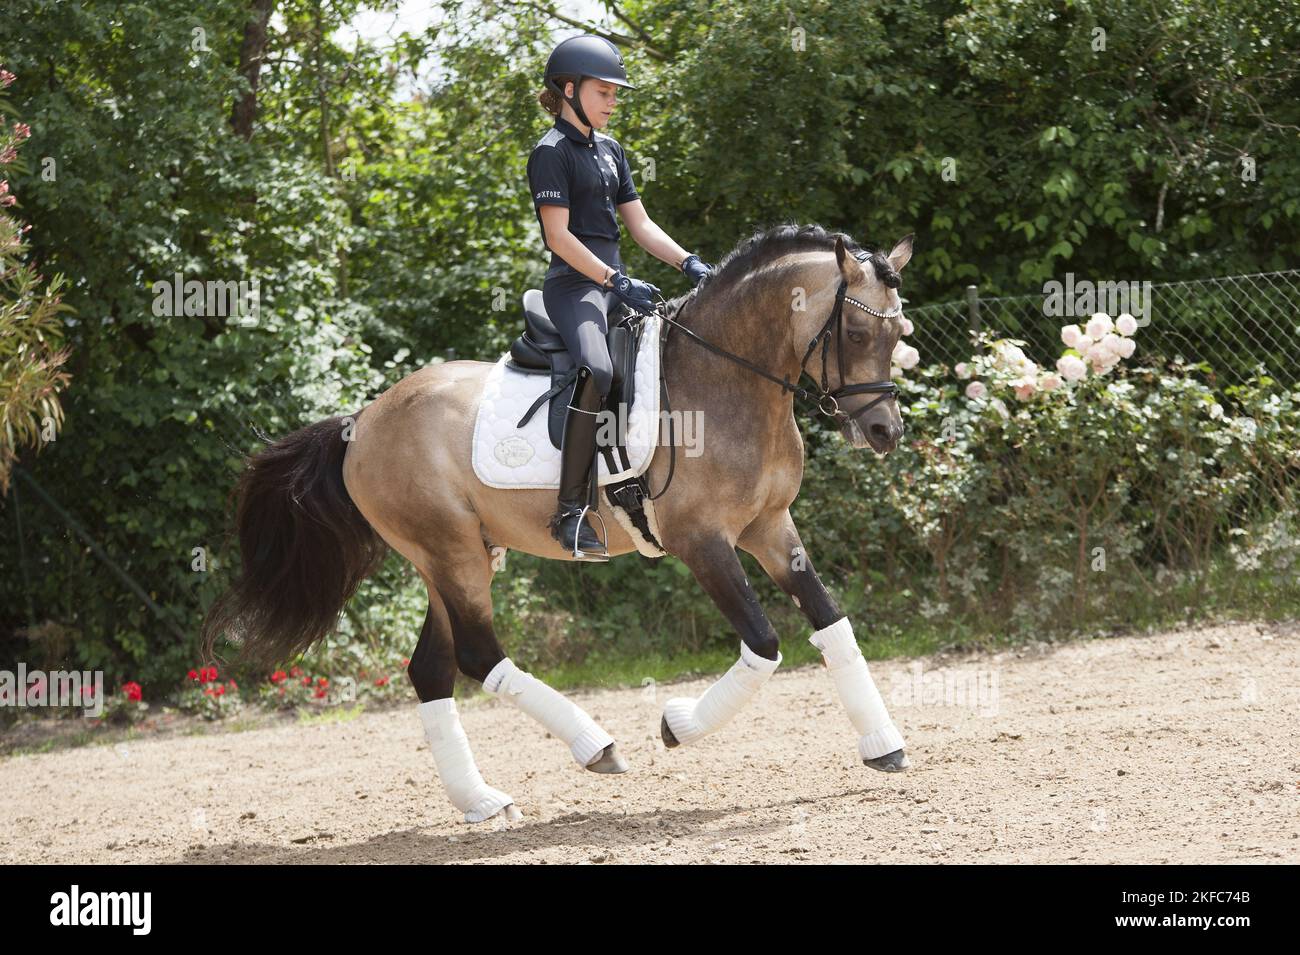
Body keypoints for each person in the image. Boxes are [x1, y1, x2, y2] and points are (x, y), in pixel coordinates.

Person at [528, 34, 711, 561]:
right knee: (600, 371)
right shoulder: (551, 153)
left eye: (615, 93)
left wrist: (689, 262)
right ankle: (569, 512)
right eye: (603, 91)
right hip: (576, 288)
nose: (612, 101)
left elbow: (641, 224)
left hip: (617, 284)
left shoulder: (611, 152)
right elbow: (559, 238)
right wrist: (613, 281)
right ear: (569, 89)